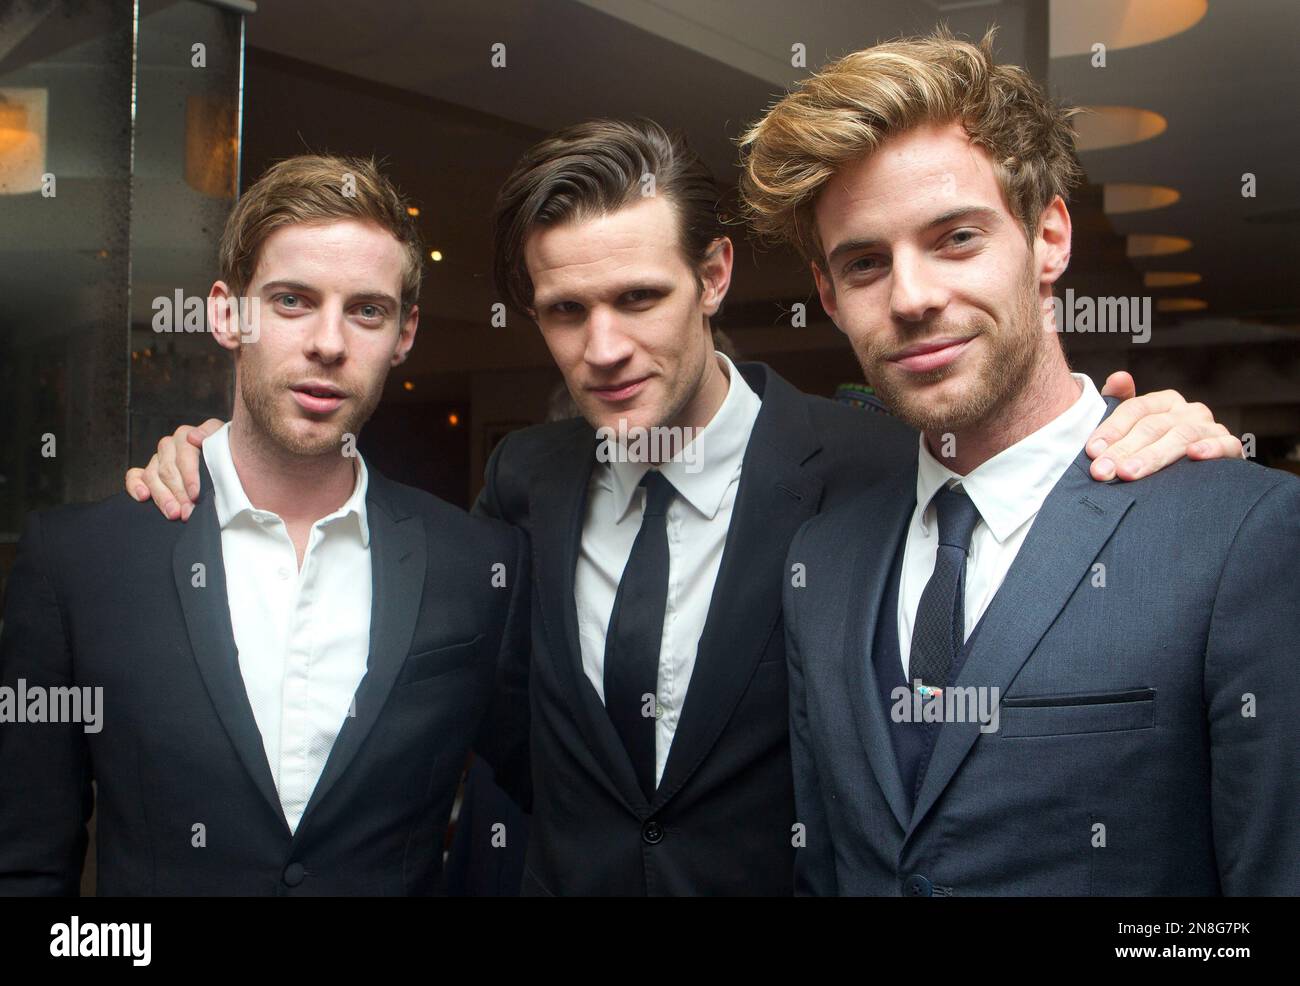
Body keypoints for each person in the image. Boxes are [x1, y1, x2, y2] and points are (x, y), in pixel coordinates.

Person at [125, 120, 1239, 896]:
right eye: (566, 311)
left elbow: (1021, 477)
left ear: (712, 275)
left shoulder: (870, 462)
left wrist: (1177, 429)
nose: (602, 349)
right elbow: (496, 721)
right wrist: (214, 460)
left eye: (639, 297)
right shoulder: (527, 478)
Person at [739, 29, 1300, 895]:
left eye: (956, 238)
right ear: (828, 297)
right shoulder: (824, 559)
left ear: (1049, 238)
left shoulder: (1240, 534)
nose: (914, 297)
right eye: (864, 263)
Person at [0, 155, 527, 895]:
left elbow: (551, 809)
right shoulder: (80, 563)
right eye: (291, 300)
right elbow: (23, 869)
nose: (328, 342)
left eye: (367, 310)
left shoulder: (479, 566)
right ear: (226, 314)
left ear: (404, 334)